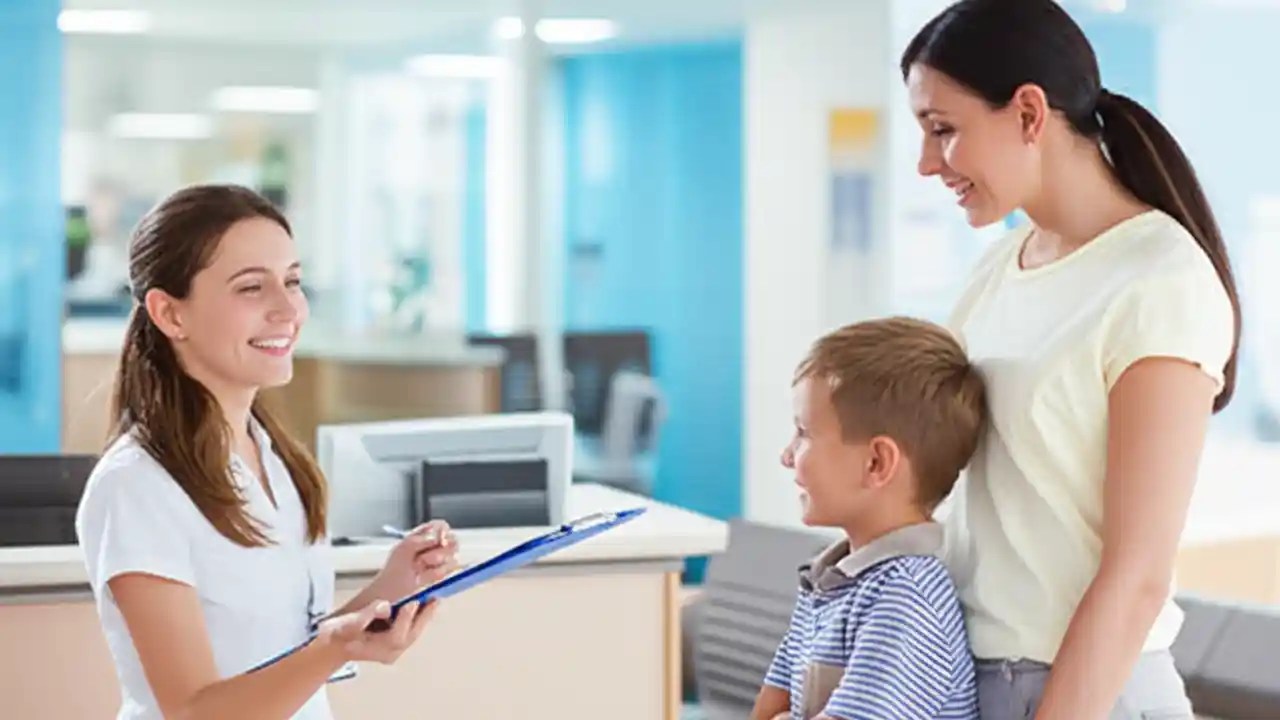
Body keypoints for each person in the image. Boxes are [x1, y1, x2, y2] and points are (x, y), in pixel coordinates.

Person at [900, 1, 1241, 718]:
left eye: (943, 130)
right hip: (978, 680)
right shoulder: (998, 270)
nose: (927, 163)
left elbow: (1137, 576)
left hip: (1088, 694)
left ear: (1028, 113)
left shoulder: (1158, 280)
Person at [75, 184, 460, 720]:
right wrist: (335, 646)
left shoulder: (276, 459)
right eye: (252, 288)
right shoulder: (137, 485)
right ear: (170, 313)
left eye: (293, 281)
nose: (288, 309)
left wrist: (390, 588)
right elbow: (194, 711)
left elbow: (278, 656)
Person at [751, 317, 986, 720]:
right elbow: (767, 710)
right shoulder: (826, 583)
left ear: (876, 462)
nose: (787, 456)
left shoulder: (909, 597)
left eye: (803, 433)